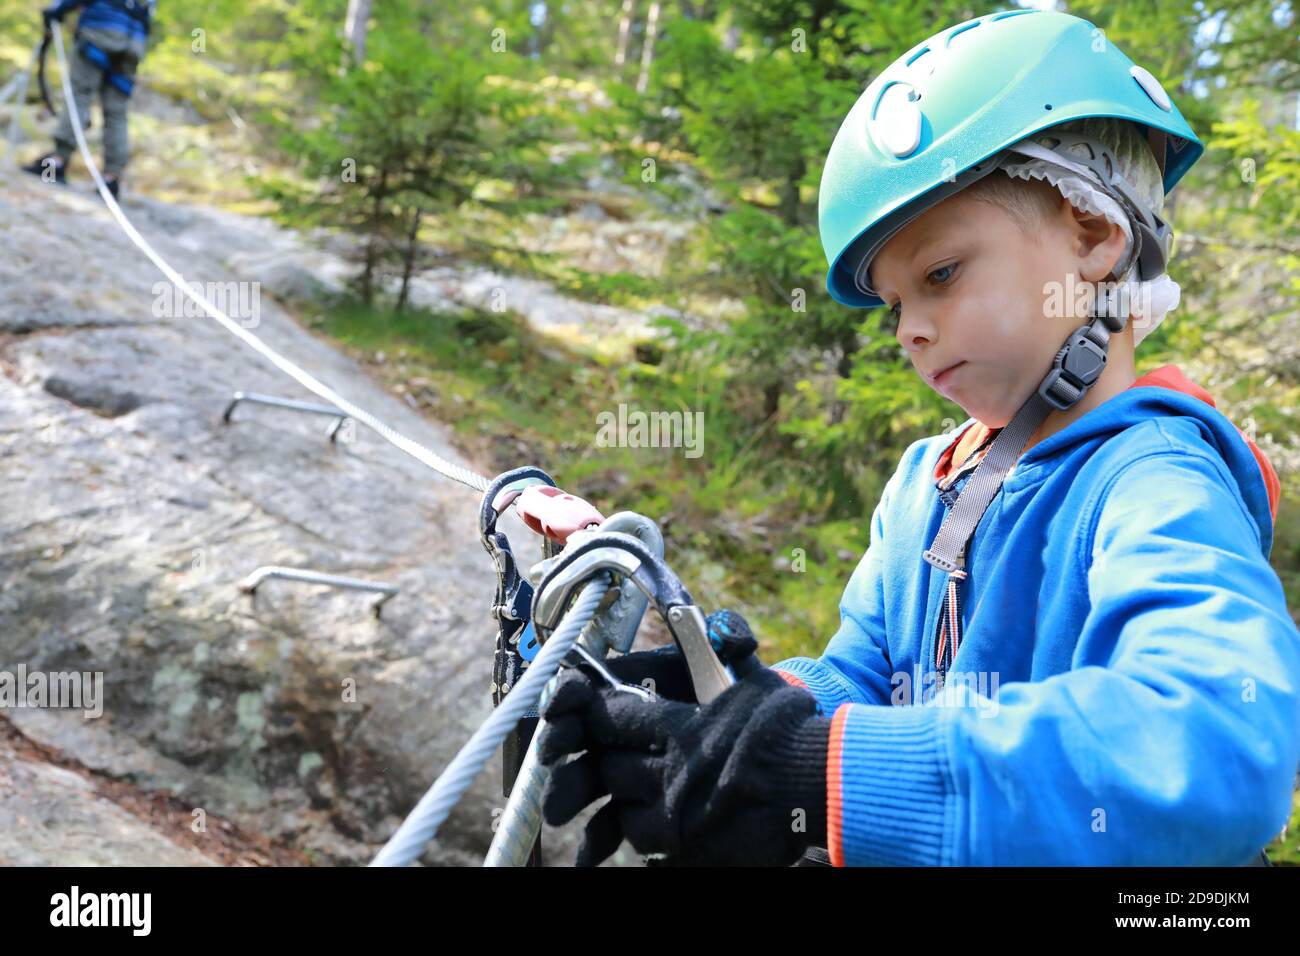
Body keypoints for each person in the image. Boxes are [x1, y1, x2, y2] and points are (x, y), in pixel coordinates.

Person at [534, 9, 1300, 867]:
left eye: (940, 274)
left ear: (1093, 234)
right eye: (896, 303)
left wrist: (822, 772)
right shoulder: (924, 483)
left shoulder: (1155, 481)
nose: (909, 331)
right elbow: (867, 673)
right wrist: (745, 710)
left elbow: (1221, 746)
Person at [21, 0, 154, 199]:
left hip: (99, 32)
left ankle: (57, 162)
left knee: (79, 95)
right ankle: (112, 178)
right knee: (116, 111)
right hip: (133, 40)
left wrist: (56, 12)